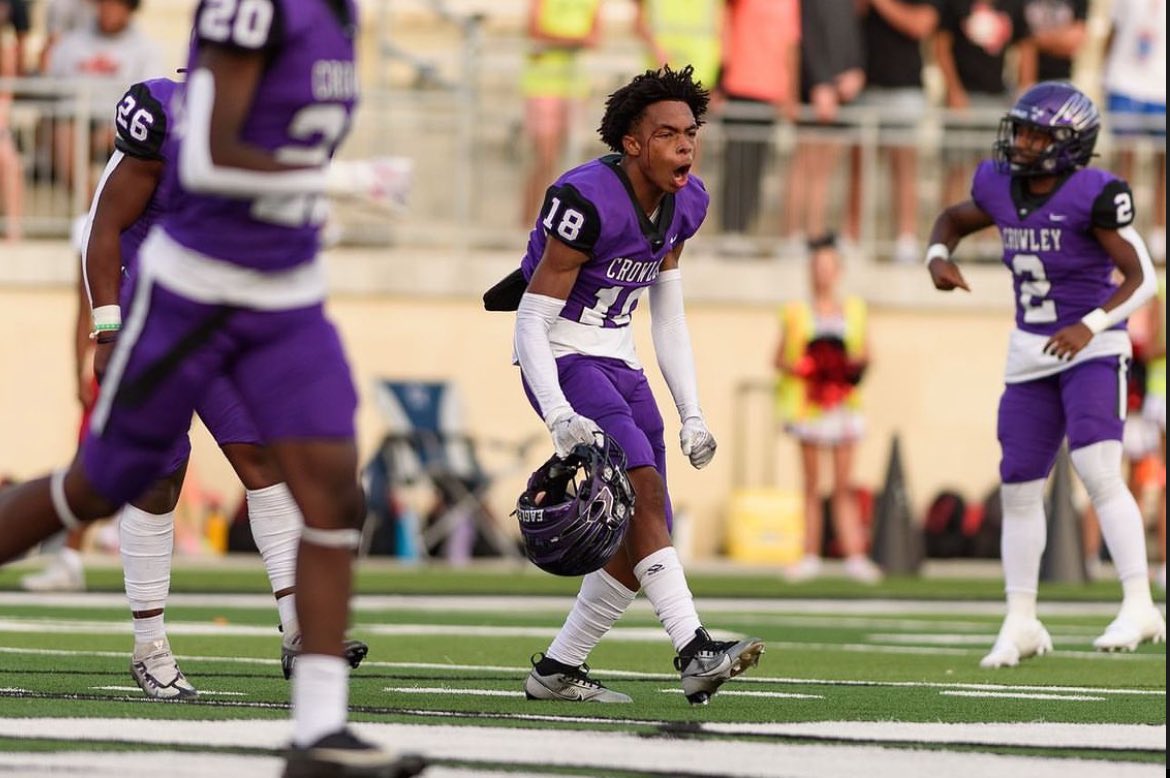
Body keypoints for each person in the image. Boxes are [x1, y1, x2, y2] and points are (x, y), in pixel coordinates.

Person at [0, 1, 425, 774]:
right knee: (109, 484)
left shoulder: (341, 18)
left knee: (329, 487)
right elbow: (203, 164)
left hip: (283, 289)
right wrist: (105, 323)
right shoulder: (241, 18)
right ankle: (150, 641)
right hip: (188, 293)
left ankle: (318, 723)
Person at [81, 75, 368, 699]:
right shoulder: (166, 113)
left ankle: (299, 630)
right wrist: (106, 330)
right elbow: (104, 227)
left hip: (219, 304)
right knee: (159, 472)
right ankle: (149, 645)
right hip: (148, 301)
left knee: (261, 453)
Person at [507, 65, 764, 704]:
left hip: (620, 362)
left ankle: (560, 669)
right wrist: (559, 411)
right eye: (668, 134)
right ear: (632, 142)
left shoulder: (687, 201)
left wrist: (692, 411)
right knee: (643, 487)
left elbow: (667, 312)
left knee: (641, 520)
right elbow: (532, 320)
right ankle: (694, 646)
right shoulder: (585, 198)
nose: (685, 145)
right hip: (565, 355)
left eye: (691, 132)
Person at [925, 81, 1165, 668]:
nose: (1025, 142)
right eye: (1023, 130)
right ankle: (1022, 618)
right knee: (1019, 485)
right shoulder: (999, 186)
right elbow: (950, 219)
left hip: (1093, 345)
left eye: (1038, 134)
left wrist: (1091, 323)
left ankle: (1140, 603)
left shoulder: (1095, 194)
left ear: (1069, 143)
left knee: (1097, 467)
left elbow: (1144, 278)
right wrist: (938, 258)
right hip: (1030, 351)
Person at [773, 234, 882, 584]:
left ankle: (854, 553)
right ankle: (808, 553)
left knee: (843, 483)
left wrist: (843, 367)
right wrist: (809, 367)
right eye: (816, 267)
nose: (821, 273)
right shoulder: (795, 312)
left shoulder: (853, 310)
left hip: (843, 405)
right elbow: (780, 358)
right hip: (809, 407)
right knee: (810, 483)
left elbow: (865, 354)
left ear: (838, 271)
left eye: (827, 267)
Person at [847, 0, 940, 264]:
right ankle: (852, 239)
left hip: (905, 88)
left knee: (904, 168)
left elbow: (921, 24)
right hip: (864, 85)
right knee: (858, 169)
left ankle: (905, 240)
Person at [44, 0, 162, 192]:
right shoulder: (71, 44)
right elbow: (52, 85)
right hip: (76, 121)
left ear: (129, 8)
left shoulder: (147, 49)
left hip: (120, 126)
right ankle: (90, 208)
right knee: (67, 133)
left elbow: (149, 98)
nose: (108, 10)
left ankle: (94, 210)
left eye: (116, 4)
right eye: (104, 3)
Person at [781, 0, 865, 257]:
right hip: (813, 92)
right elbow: (805, 36)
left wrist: (856, 72)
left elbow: (852, 35)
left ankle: (814, 235)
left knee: (824, 170)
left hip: (841, 94)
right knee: (805, 164)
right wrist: (819, 83)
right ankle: (793, 237)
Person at [715, 0, 800, 253]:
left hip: (771, 91)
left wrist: (790, 92)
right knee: (736, 164)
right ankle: (730, 230)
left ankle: (744, 229)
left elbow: (791, 44)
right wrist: (719, 80)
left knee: (757, 167)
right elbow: (724, 27)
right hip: (739, 86)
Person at [934, 0, 1031, 208]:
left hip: (998, 99)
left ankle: (989, 235)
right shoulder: (954, 5)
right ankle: (952, 228)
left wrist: (1023, 93)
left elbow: (1026, 46)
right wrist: (954, 91)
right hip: (962, 100)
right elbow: (941, 45)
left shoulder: (1013, 5)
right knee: (956, 169)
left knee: (996, 172)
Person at [519, 0, 604, 227]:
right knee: (544, 158)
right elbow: (535, 31)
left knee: (572, 161)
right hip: (543, 84)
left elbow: (595, 37)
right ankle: (528, 224)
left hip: (574, 86)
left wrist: (561, 40)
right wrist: (574, 41)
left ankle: (561, 227)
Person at [1101, 0, 1166, 263]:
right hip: (1124, 81)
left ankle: (1160, 237)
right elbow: (1113, 32)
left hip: (1161, 86)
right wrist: (1104, 77)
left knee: (1162, 165)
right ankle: (1120, 229)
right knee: (1123, 159)